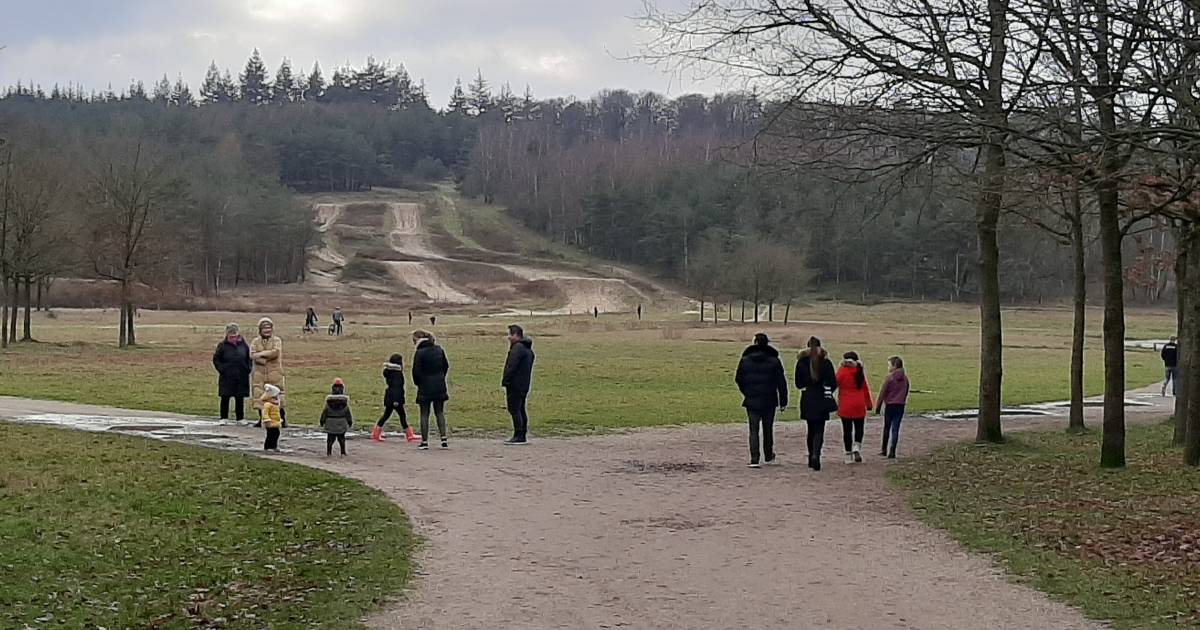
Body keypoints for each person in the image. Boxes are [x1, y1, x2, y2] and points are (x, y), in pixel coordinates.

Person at [735, 332, 788, 468]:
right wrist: (783, 400)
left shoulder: (745, 360)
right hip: (769, 398)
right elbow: (781, 382)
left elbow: (738, 379)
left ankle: (754, 458)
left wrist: (746, 392)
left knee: (753, 430)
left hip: (752, 399)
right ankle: (768, 455)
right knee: (768, 428)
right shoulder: (774, 360)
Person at [796, 336, 837, 471]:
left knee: (811, 429)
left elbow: (798, 383)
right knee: (820, 429)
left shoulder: (801, 362)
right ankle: (816, 454)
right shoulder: (826, 362)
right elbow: (833, 382)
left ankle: (810, 455)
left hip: (808, 397)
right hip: (822, 397)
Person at [412, 330, 450, 450]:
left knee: (424, 413)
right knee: (439, 412)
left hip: (425, 385)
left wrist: (419, 383)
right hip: (439, 383)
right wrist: (441, 377)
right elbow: (446, 365)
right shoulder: (439, 349)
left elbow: (416, 371)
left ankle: (424, 441)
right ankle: (443, 439)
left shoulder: (419, 353)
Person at [836, 351, 873, 465]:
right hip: (859, 403)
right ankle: (857, 445)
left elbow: (835, 383)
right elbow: (865, 389)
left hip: (845, 405)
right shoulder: (859, 372)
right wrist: (869, 404)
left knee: (847, 431)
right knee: (859, 428)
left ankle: (848, 455)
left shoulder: (842, 372)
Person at [502, 325, 536, 445]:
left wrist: (506, 380)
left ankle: (518, 435)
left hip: (515, 384)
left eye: (511, 334)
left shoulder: (518, 349)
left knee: (514, 409)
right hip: (524, 384)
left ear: (516, 335)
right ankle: (522, 434)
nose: (509, 337)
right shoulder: (528, 350)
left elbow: (511, 367)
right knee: (521, 409)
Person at [251, 317, 287, 428]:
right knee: (260, 396)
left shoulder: (276, 340)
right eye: (264, 328)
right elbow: (253, 355)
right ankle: (262, 418)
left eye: (269, 328)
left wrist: (261, 354)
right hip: (259, 374)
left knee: (277, 395)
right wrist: (264, 358)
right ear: (260, 330)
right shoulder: (255, 342)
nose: (267, 330)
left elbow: (275, 353)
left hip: (274, 373)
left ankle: (281, 418)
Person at [212, 323, 252, 422]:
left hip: (241, 375)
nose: (233, 337)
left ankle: (240, 418)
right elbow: (216, 359)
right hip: (227, 376)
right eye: (231, 335)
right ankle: (224, 417)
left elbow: (249, 357)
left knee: (240, 398)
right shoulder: (222, 346)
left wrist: (248, 368)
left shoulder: (244, 345)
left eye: (234, 335)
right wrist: (222, 369)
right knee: (225, 397)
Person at [375, 353, 418, 443]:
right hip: (396, 398)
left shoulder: (389, 372)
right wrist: (396, 400)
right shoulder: (397, 374)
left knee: (387, 415)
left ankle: (376, 433)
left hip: (389, 396)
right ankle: (409, 435)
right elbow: (397, 387)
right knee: (401, 416)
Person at [876, 356, 911, 459]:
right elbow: (906, 391)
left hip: (890, 405)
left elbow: (882, 393)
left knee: (887, 427)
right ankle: (893, 450)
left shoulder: (889, 378)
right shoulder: (905, 379)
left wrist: (878, 406)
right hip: (900, 405)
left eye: (889, 365)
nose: (888, 367)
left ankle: (883, 449)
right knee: (895, 428)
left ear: (894, 366)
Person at [320, 378, 353, 456]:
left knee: (330, 439)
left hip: (330, 423)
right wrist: (350, 422)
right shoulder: (344, 404)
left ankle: (329, 452)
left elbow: (324, 413)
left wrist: (322, 421)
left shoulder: (328, 403)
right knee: (341, 439)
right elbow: (348, 414)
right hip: (341, 423)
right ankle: (343, 452)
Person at [261, 384, 283, 452]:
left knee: (276, 434)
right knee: (271, 435)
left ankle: (273, 446)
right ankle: (268, 447)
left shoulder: (275, 404)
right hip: (270, 423)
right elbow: (265, 413)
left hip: (275, 422)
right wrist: (267, 419)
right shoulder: (268, 404)